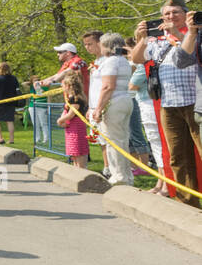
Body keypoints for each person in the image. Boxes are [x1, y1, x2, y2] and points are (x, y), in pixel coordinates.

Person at [130, 0, 200, 207]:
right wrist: (142, 38)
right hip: (169, 104)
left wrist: (177, 33)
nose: (170, 17)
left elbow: (189, 55)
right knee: (178, 156)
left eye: (175, 12)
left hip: (196, 102)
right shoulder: (156, 39)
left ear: (186, 14)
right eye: (166, 14)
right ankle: (187, 201)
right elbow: (136, 59)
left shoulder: (195, 32)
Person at [90, 32, 135, 186]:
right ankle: (126, 175)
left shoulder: (111, 62)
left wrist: (98, 108)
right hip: (125, 100)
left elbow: (108, 86)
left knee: (113, 141)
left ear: (107, 46)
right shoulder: (123, 61)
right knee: (122, 140)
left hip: (114, 102)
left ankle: (119, 177)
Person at [128, 62, 166, 194]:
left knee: (158, 144)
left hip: (150, 105)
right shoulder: (143, 65)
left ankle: (166, 184)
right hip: (148, 104)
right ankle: (161, 181)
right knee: (155, 145)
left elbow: (132, 85)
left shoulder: (144, 65)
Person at [56, 71, 90, 169]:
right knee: (74, 153)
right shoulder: (70, 98)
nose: (62, 88)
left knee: (78, 151)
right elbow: (66, 110)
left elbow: (71, 114)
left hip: (76, 128)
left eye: (63, 86)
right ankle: (76, 169)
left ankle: (81, 170)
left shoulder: (76, 99)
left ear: (69, 86)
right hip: (71, 127)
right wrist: (63, 121)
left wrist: (60, 120)